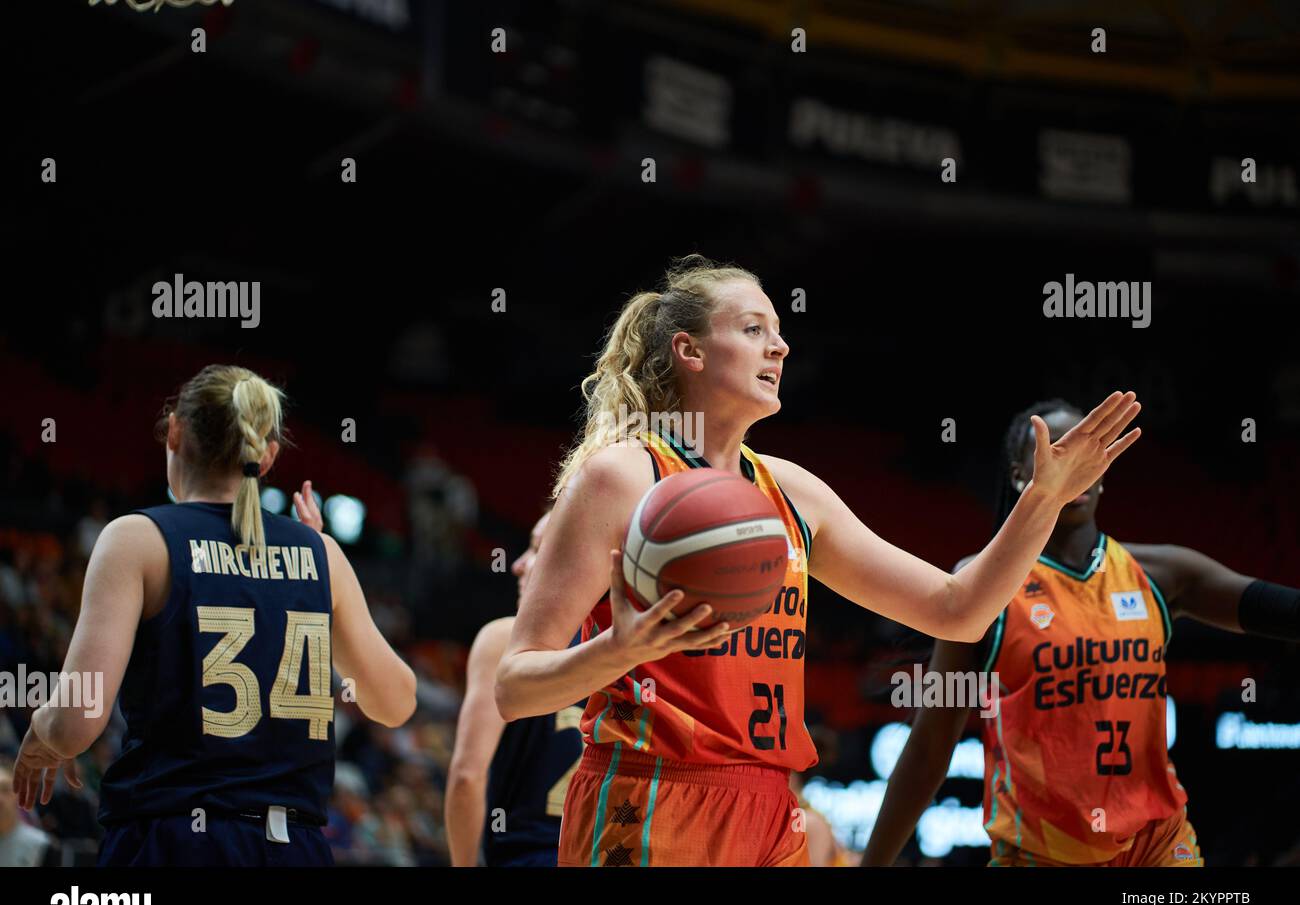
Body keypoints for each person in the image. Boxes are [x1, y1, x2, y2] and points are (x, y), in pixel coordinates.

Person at [495, 255, 1142, 866]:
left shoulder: (792, 491)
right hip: (653, 799)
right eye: (753, 330)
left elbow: (959, 610)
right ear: (688, 351)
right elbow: (515, 687)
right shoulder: (621, 477)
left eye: (779, 333)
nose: (779, 347)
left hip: (775, 805)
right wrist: (615, 652)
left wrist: (1044, 498)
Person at [863, 399, 1300, 867]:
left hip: (1157, 842)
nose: (1069, 466)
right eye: (1052, 454)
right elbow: (930, 745)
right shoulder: (980, 586)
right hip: (1042, 851)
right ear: (1019, 477)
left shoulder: (1160, 572)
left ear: (1103, 465)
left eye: (1082, 451)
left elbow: (1279, 609)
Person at [11, 365, 416, 866]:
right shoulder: (322, 555)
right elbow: (396, 704)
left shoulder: (136, 539)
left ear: (175, 432)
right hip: (297, 847)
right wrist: (317, 568)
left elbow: (76, 722)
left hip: (176, 841)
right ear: (267, 456)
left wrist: (42, 732)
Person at [445, 510, 585, 866]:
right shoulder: (630, 652)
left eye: (538, 549)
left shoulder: (504, 638)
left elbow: (466, 776)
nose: (518, 565)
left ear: (576, 562)